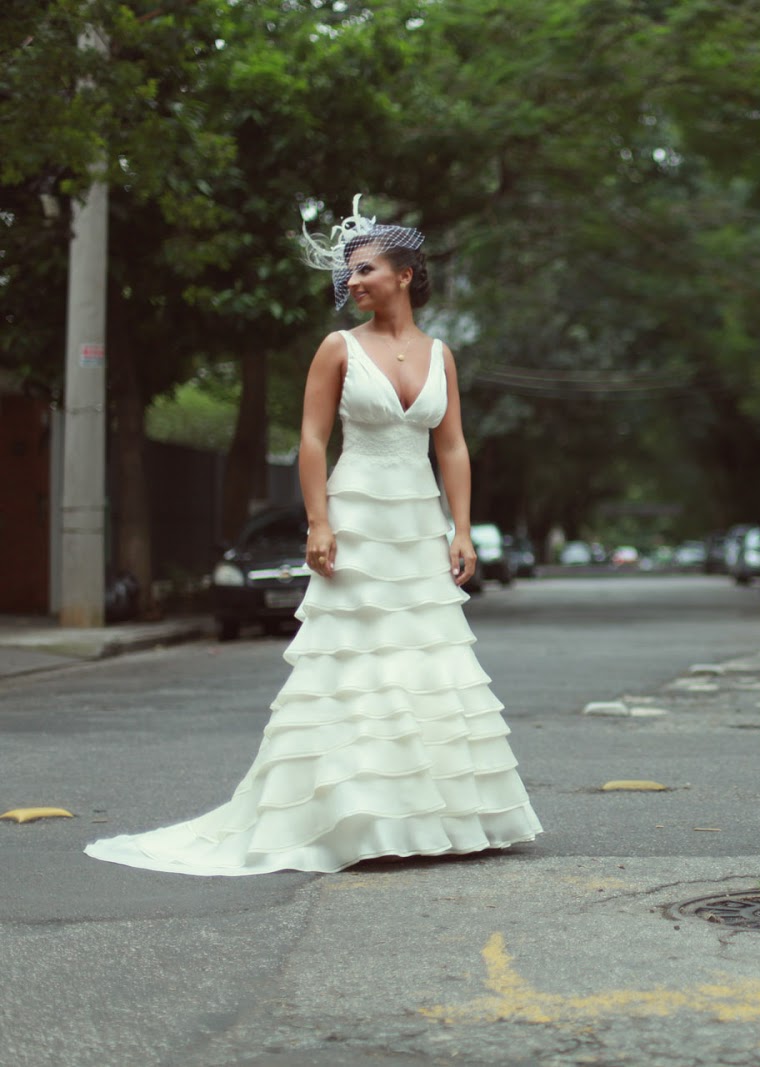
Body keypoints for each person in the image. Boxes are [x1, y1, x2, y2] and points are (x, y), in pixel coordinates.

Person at [85, 197, 543, 875]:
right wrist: (320, 520)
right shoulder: (337, 349)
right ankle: (349, 818)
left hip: (416, 522)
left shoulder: (440, 355)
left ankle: (440, 817)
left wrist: (462, 528)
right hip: (357, 513)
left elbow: (452, 449)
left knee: (423, 658)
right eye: (348, 274)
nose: (352, 283)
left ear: (406, 274)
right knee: (354, 661)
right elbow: (311, 438)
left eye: (364, 270)